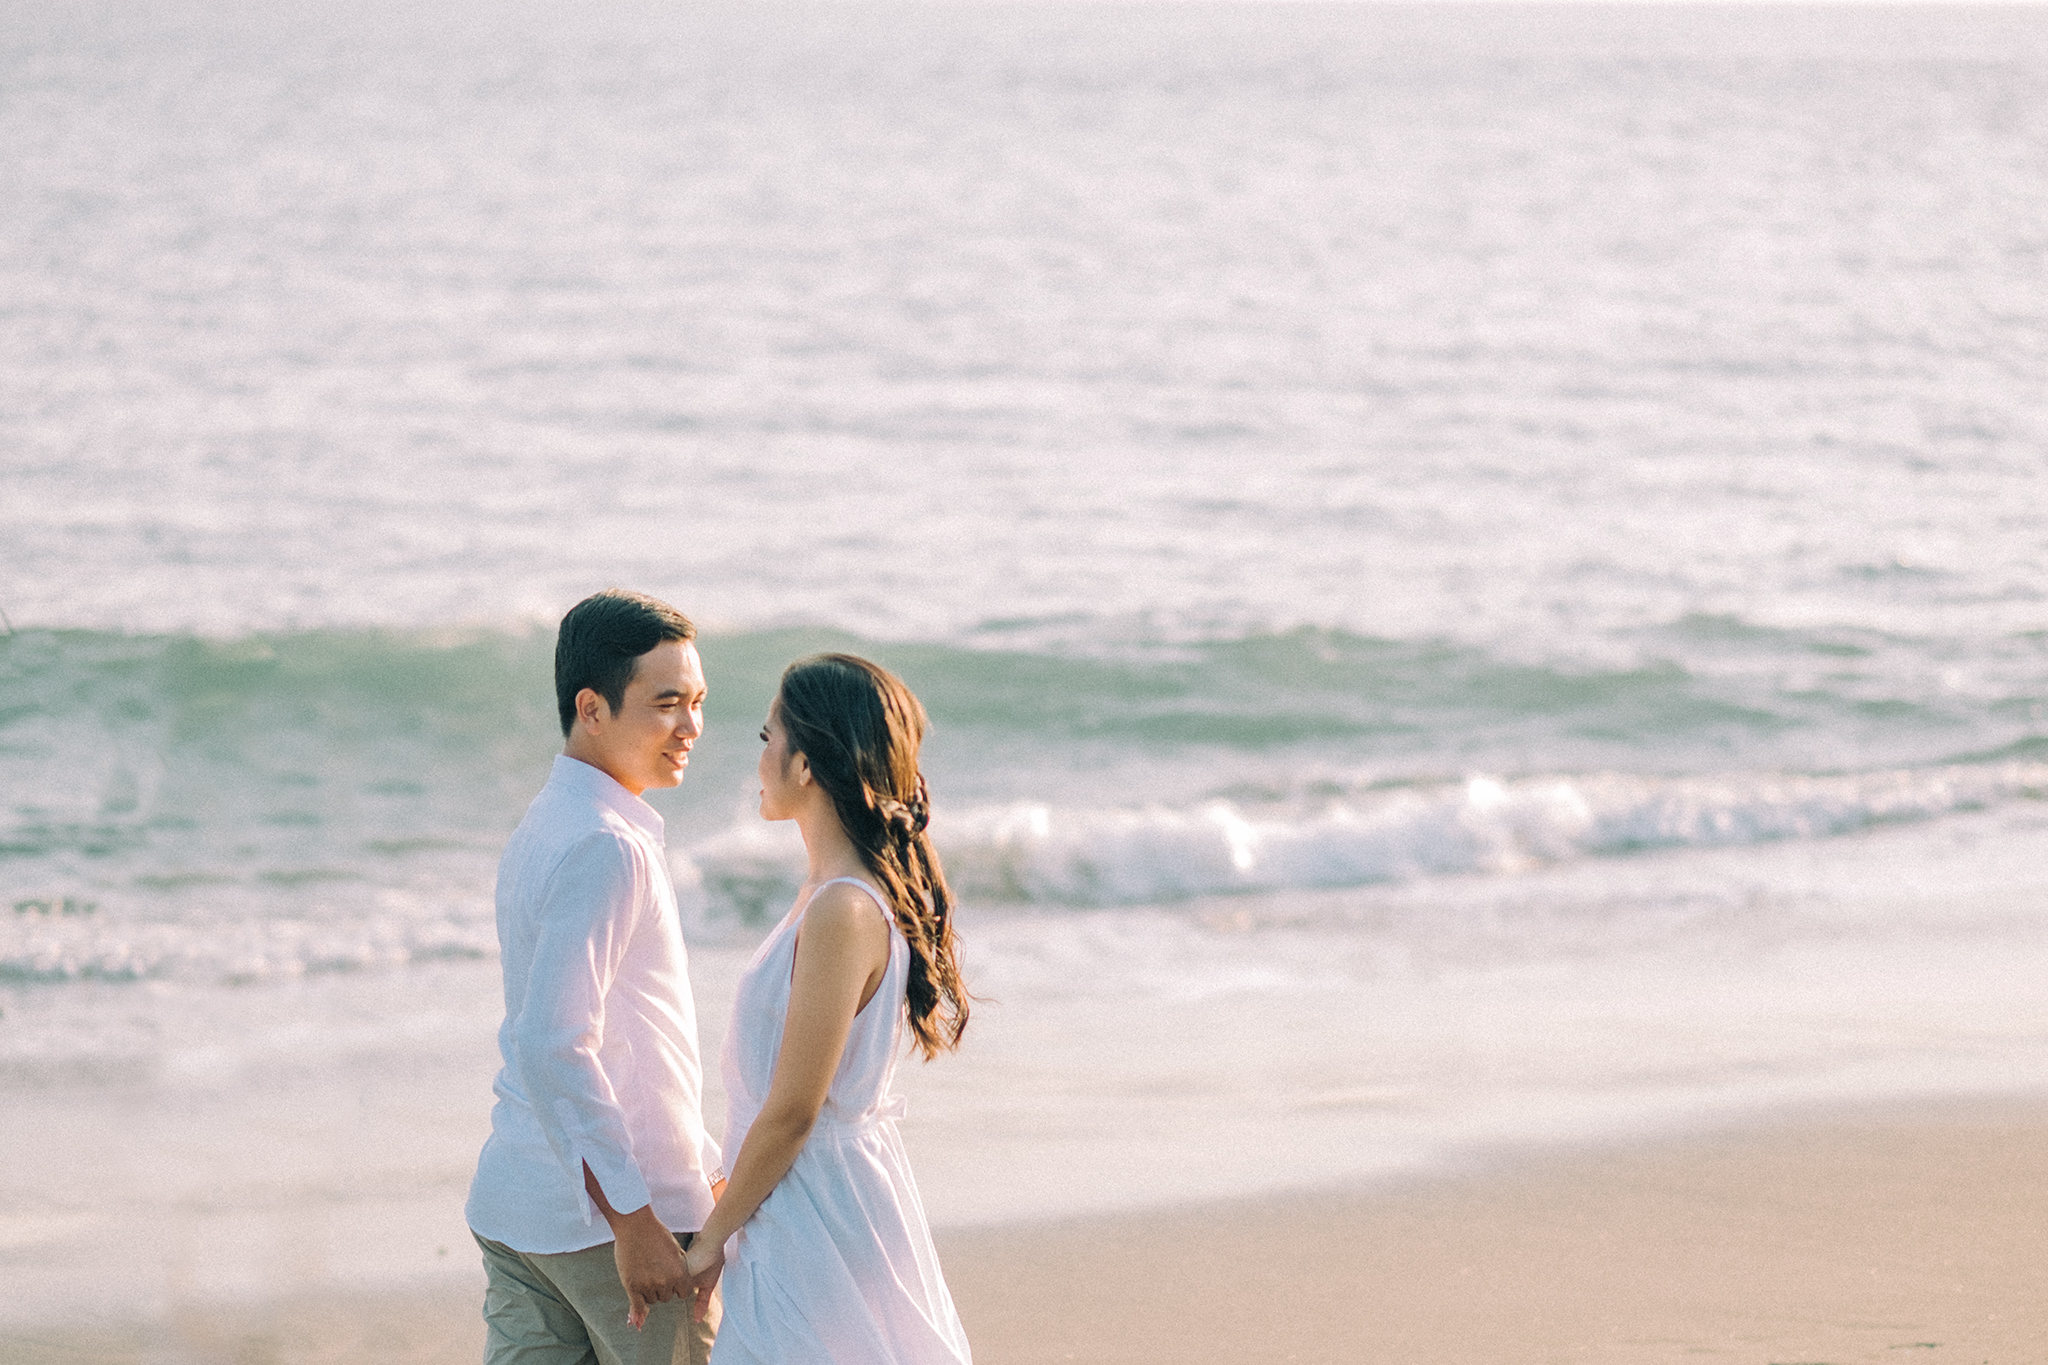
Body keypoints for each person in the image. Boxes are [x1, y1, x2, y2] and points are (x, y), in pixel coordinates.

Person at [682, 653, 973, 1364]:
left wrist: (710, 1240)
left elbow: (793, 1109)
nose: (760, 758)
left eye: (767, 738)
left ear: (807, 763)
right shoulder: (829, 893)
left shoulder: (844, 906)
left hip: (817, 1216)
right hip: (800, 1205)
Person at [466, 589, 724, 1365]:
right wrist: (636, 1219)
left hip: (522, 1202)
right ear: (592, 706)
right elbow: (555, 1042)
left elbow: (616, 1035)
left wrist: (701, 1159)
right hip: (609, 1228)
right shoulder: (607, 845)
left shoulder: (547, 821)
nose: (690, 727)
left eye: (699, 702)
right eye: (666, 702)